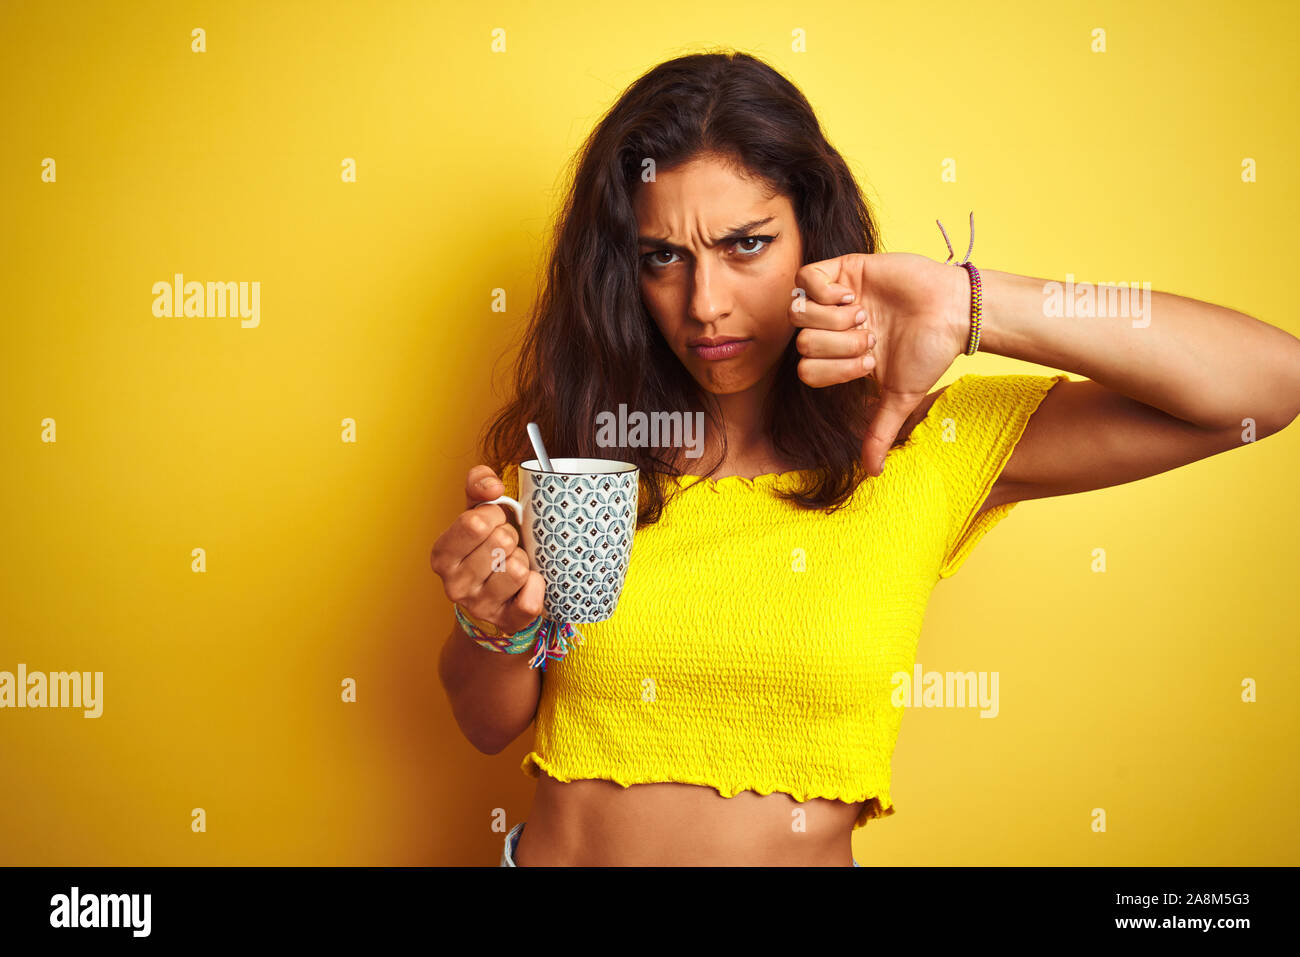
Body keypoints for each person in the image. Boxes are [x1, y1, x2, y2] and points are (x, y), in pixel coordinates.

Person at [431, 50, 1300, 866]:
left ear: (815, 234)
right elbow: (483, 723)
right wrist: (490, 622)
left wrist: (969, 304)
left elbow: (1268, 386)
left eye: (746, 245)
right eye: (664, 257)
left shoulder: (924, 446)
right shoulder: (583, 460)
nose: (706, 304)